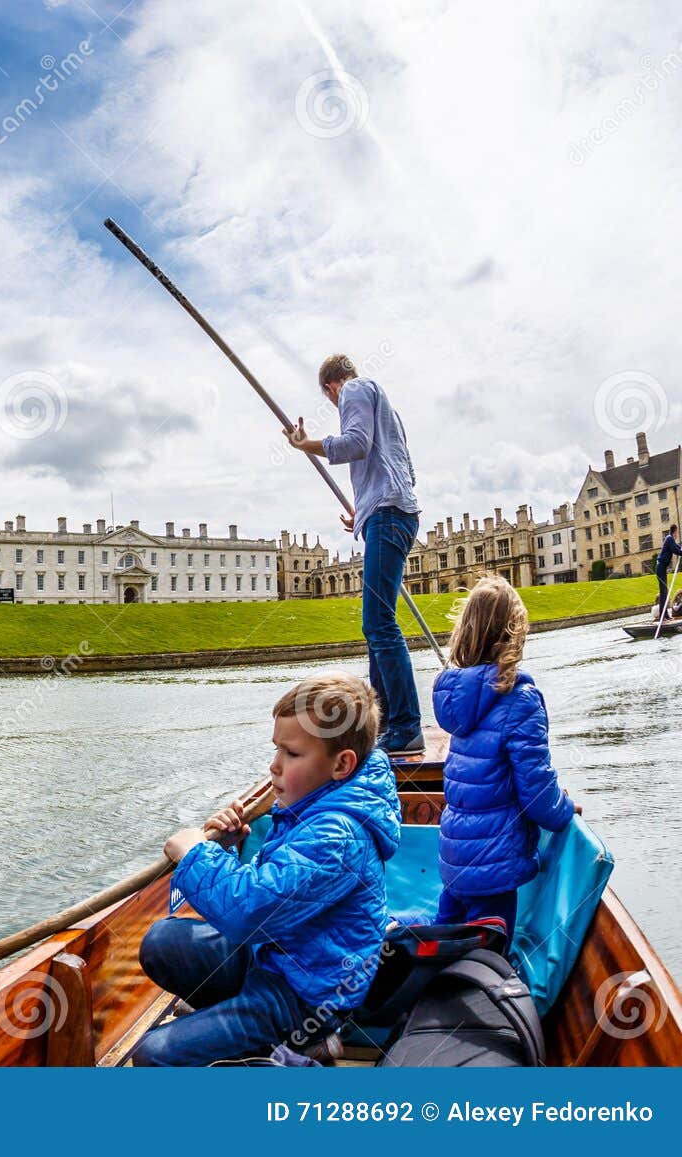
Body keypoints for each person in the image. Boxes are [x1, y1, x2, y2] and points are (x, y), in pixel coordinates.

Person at [131, 673, 401, 1066]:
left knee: (152, 1055)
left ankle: (304, 1047)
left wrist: (194, 856)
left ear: (342, 764)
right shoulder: (316, 801)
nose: (274, 767)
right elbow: (273, 883)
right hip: (277, 956)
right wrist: (228, 846)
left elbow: (252, 910)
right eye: (277, 750)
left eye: (291, 755)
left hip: (305, 997)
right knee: (161, 941)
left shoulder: (339, 836)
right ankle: (244, 1032)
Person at [288, 355, 424, 755]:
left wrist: (305, 445)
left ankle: (405, 725)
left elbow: (356, 444)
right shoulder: (389, 410)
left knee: (379, 623)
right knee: (376, 627)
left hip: (388, 515)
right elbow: (404, 472)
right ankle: (384, 725)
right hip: (390, 513)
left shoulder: (354, 390)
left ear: (330, 388)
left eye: (331, 401)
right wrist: (363, 510)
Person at [433, 574, 577, 942]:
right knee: (487, 961)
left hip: (456, 860)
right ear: (516, 634)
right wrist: (564, 811)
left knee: (443, 945)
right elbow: (537, 792)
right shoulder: (519, 700)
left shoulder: (457, 699)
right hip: (493, 866)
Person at [656, 525, 681, 617]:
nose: (677, 534)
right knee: (664, 591)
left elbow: (677, 547)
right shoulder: (669, 538)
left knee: (664, 591)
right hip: (660, 567)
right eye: (677, 532)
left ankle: (665, 615)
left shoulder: (671, 540)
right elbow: (675, 550)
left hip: (662, 568)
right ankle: (664, 615)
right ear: (675, 531)